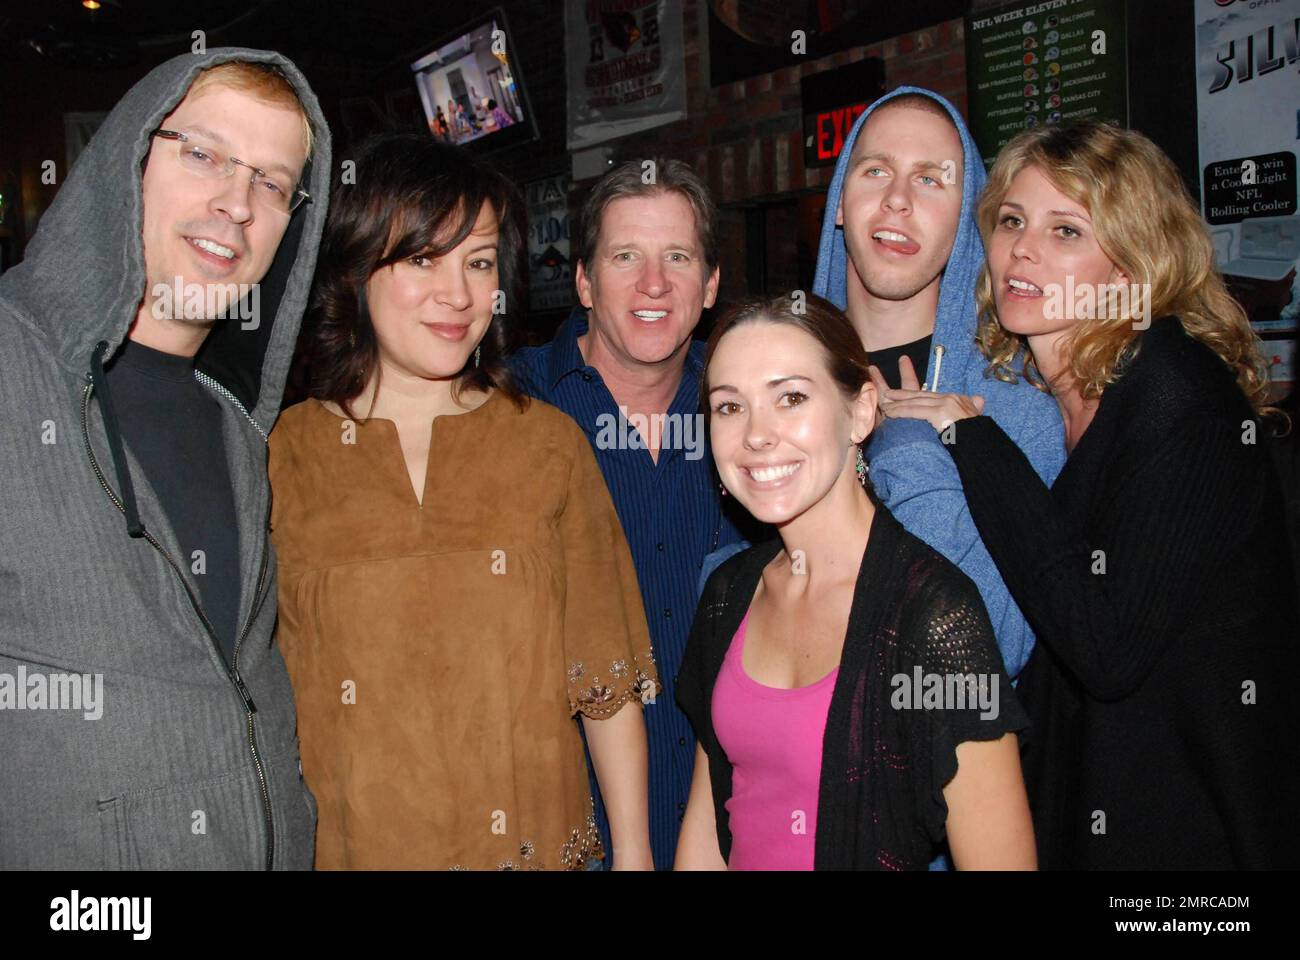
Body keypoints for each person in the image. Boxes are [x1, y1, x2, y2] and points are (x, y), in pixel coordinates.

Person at [883, 119, 1300, 868]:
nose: (1023, 249)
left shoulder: (1177, 393)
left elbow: (1102, 646)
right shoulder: (1062, 406)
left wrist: (971, 440)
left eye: (1066, 230)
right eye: (1012, 221)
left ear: (1129, 267)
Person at [271, 133, 657, 870]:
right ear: (356, 269)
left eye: (479, 263)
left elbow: (606, 687)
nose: (458, 295)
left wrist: (635, 857)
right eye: (422, 260)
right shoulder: (282, 457)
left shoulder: (548, 445)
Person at [0, 50, 331, 868]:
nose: (237, 204)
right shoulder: (11, 365)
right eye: (204, 154)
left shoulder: (235, 428)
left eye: (272, 182)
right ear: (129, 157)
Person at [701, 88, 1065, 686]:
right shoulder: (770, 378)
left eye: (931, 180)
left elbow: (985, 659)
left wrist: (910, 450)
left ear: (965, 219)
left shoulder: (1015, 409)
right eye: (876, 171)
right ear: (840, 202)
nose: (897, 201)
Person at [674, 293, 1035, 871]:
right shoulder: (730, 591)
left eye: (791, 398)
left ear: (862, 411)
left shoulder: (933, 616)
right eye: (728, 407)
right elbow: (709, 820)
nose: (757, 435)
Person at [510, 158, 746, 869]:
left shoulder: (753, 409)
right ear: (583, 280)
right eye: (624, 257)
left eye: (677, 256)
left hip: (733, 833)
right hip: (564, 840)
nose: (653, 283)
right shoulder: (508, 410)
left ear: (710, 285)